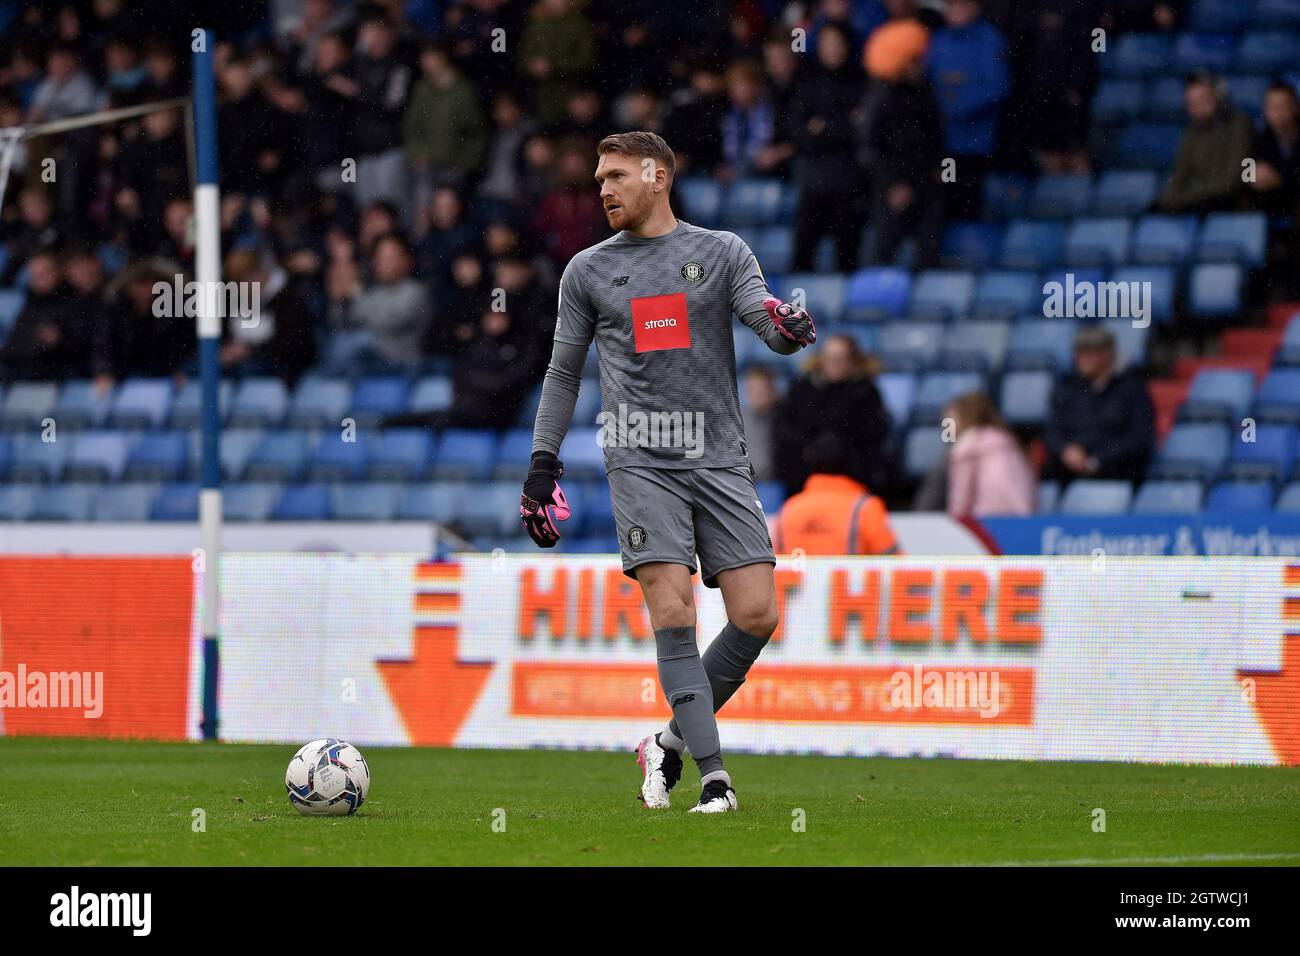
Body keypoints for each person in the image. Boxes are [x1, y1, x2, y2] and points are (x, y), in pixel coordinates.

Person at [520, 131, 817, 814]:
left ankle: (667, 743)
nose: (604, 189)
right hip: (640, 457)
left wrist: (790, 326)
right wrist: (543, 461)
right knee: (674, 610)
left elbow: (766, 323)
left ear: (659, 177)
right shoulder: (588, 271)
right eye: (599, 178)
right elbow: (563, 372)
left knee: (756, 613)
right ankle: (715, 778)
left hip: (718, 456)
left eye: (617, 176)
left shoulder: (721, 252)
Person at [1043, 325, 1155, 485]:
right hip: (1068, 474)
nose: (1081, 359)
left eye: (1089, 353)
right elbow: (1052, 431)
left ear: (1108, 354)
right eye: (1078, 353)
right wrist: (1065, 451)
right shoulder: (1069, 390)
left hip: (1116, 475)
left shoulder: (1133, 389)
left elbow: (1139, 438)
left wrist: (1097, 460)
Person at [773, 431, 900, 555]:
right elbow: (897, 567)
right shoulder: (865, 507)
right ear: (848, 463)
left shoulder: (789, 509)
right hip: (851, 577)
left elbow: (775, 567)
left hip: (798, 577)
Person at [1156, 72, 1253, 214]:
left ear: (1219, 97)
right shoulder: (1191, 133)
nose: (1197, 108)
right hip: (1202, 203)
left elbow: (1232, 182)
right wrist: (1168, 200)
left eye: (1203, 100)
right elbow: (1179, 176)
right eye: (1191, 104)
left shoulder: (1240, 125)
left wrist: (1187, 197)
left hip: (1235, 207)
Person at [944, 391, 1035, 517]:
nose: (947, 429)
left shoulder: (965, 446)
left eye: (950, 422)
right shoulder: (1007, 441)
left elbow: (960, 502)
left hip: (985, 522)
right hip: (1021, 518)